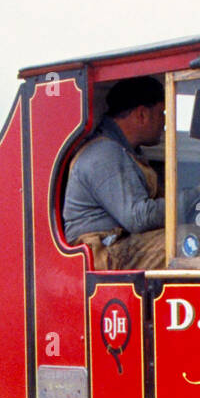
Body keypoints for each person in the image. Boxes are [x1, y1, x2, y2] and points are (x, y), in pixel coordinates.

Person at [63, 76, 169, 271]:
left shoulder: (126, 152)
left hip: (122, 247)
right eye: (161, 113)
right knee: (198, 242)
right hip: (109, 254)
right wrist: (187, 203)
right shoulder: (103, 153)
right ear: (142, 115)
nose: (164, 122)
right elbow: (138, 218)